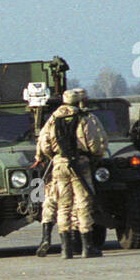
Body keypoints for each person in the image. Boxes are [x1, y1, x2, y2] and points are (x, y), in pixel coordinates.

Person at [35, 88, 107, 258]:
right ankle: (87, 247)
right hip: (80, 164)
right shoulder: (83, 118)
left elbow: (43, 143)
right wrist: (95, 156)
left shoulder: (53, 118)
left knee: (63, 205)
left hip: (59, 164)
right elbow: (94, 143)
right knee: (82, 203)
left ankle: (65, 249)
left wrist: (53, 156)